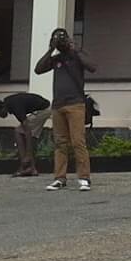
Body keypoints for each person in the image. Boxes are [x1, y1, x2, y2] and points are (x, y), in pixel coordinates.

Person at [34, 27, 96, 191]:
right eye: (57, 39)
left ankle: (84, 177)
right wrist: (50, 50)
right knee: (60, 143)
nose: (60, 42)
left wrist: (74, 49)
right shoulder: (56, 59)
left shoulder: (76, 56)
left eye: (62, 38)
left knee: (78, 141)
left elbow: (92, 67)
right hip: (58, 105)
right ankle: (59, 178)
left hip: (75, 104)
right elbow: (38, 69)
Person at [0, 92, 50, 177]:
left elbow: (27, 130)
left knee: (18, 132)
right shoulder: (10, 103)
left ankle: (25, 167)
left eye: (0, 114)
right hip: (44, 109)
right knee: (29, 137)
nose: (2, 117)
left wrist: (28, 154)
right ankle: (32, 168)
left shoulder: (15, 106)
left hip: (42, 110)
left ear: (2, 108)